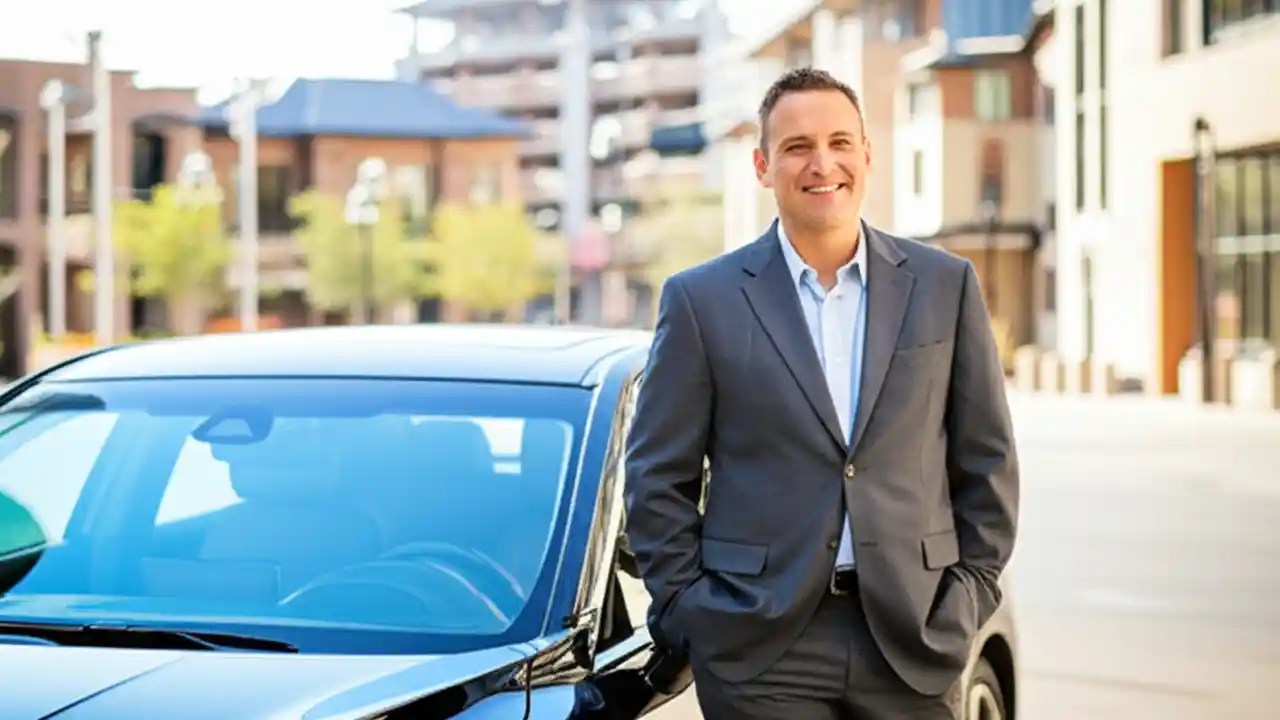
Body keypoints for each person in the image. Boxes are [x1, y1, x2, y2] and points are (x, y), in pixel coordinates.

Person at [623, 67, 1020, 719]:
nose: (822, 163)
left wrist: (966, 597)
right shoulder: (702, 301)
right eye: (797, 146)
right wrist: (691, 612)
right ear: (762, 165)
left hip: (913, 637)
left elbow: (988, 463)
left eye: (840, 142)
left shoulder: (945, 285)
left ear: (867, 155)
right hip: (761, 648)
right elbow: (656, 477)